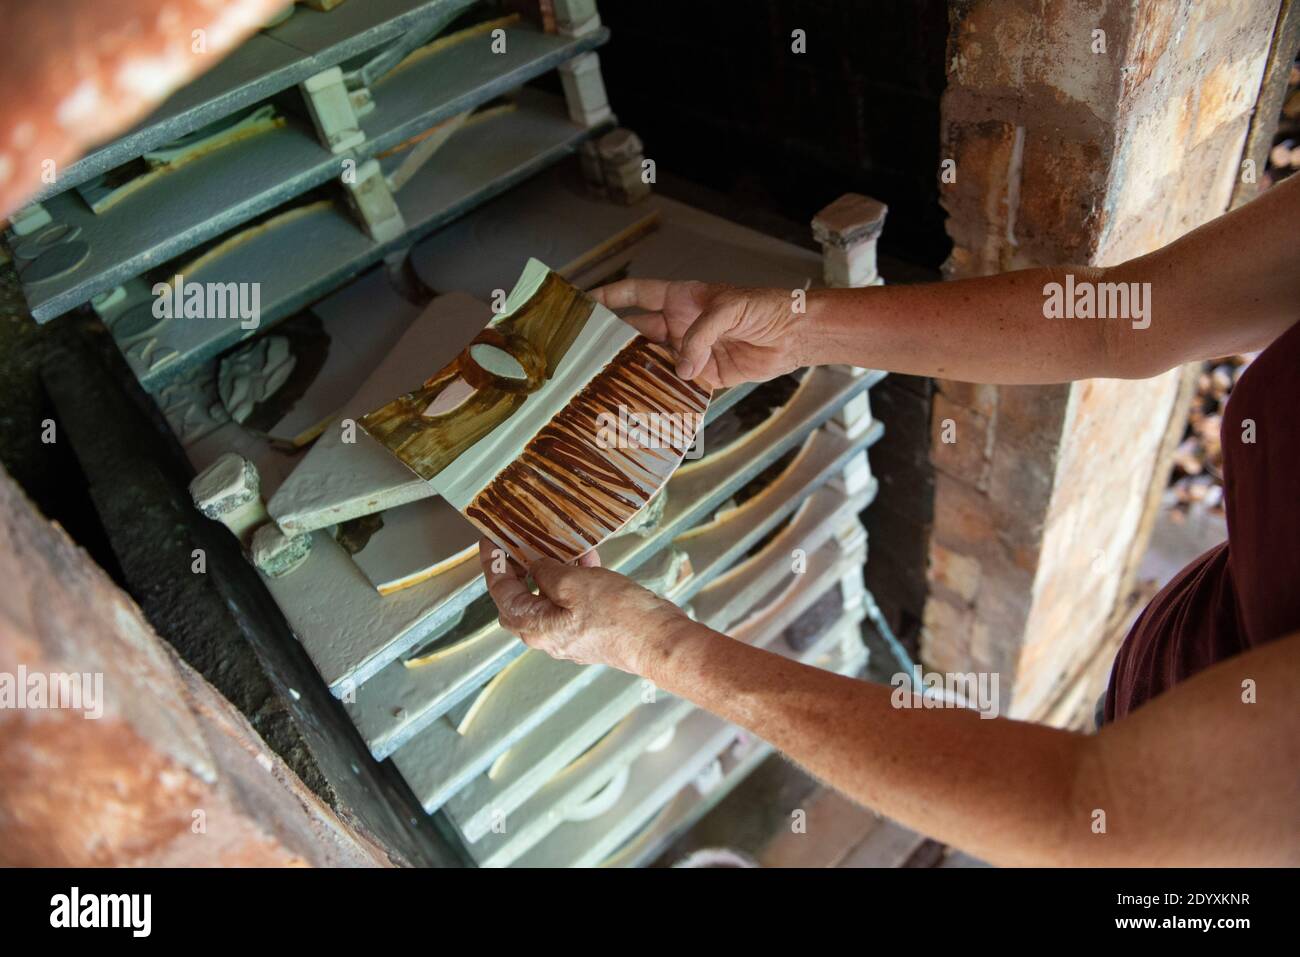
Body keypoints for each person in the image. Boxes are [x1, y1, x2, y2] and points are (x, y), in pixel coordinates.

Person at [478, 173, 1300, 867]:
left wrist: (655, 644)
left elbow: (1085, 806)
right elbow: (1124, 316)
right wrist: (802, 326)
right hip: (1164, 691)